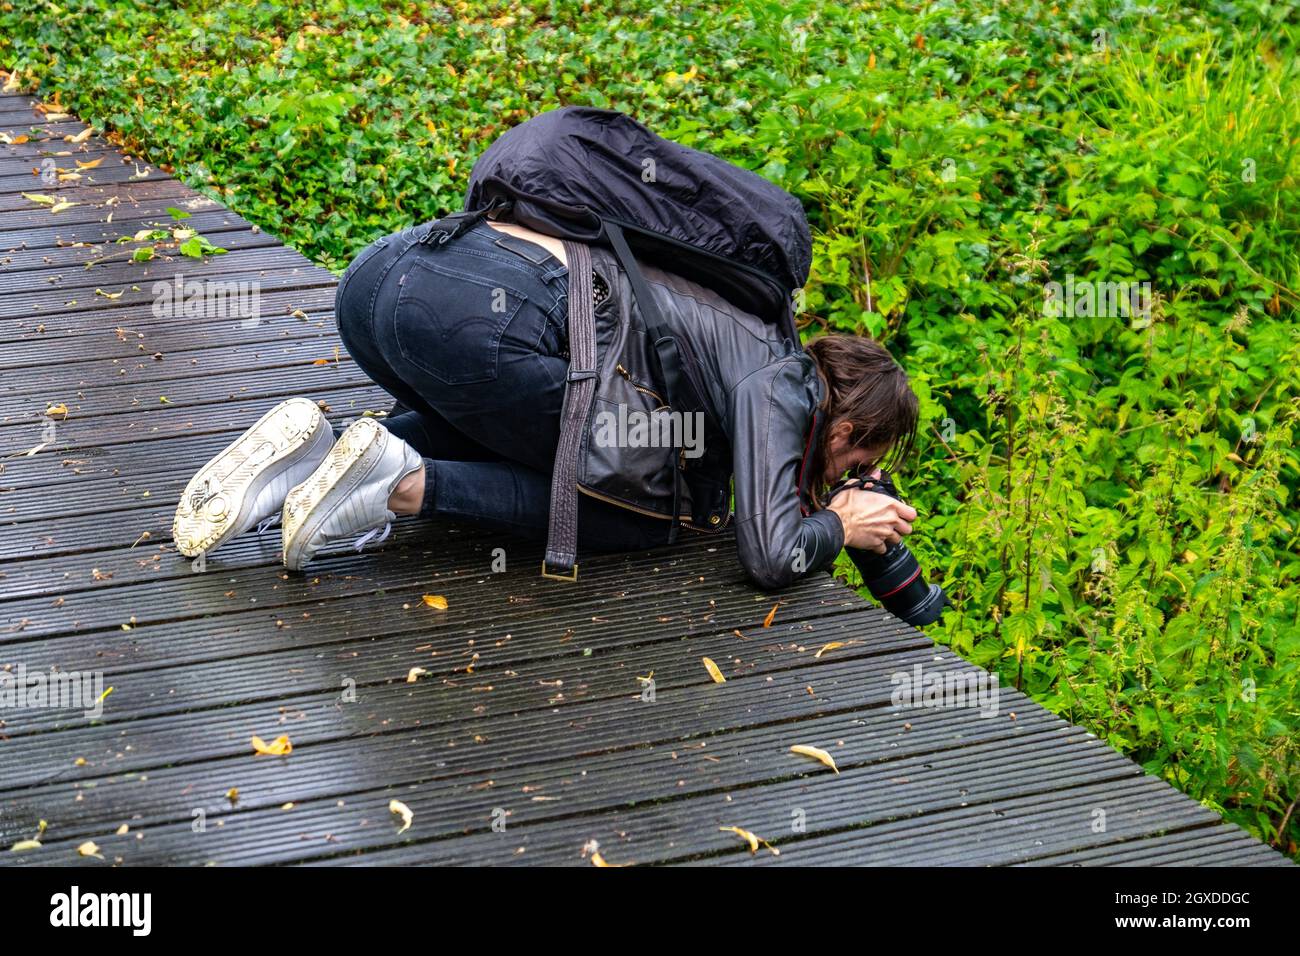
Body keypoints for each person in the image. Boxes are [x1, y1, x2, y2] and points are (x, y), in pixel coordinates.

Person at [172, 214, 920, 587]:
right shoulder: (784, 378)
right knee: (637, 512)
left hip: (383, 279)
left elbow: (680, 457)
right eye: (859, 459)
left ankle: (313, 456)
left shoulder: (737, 335)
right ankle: (398, 485)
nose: (850, 473)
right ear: (846, 423)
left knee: (570, 433)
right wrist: (838, 522)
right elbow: (768, 552)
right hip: (495, 317)